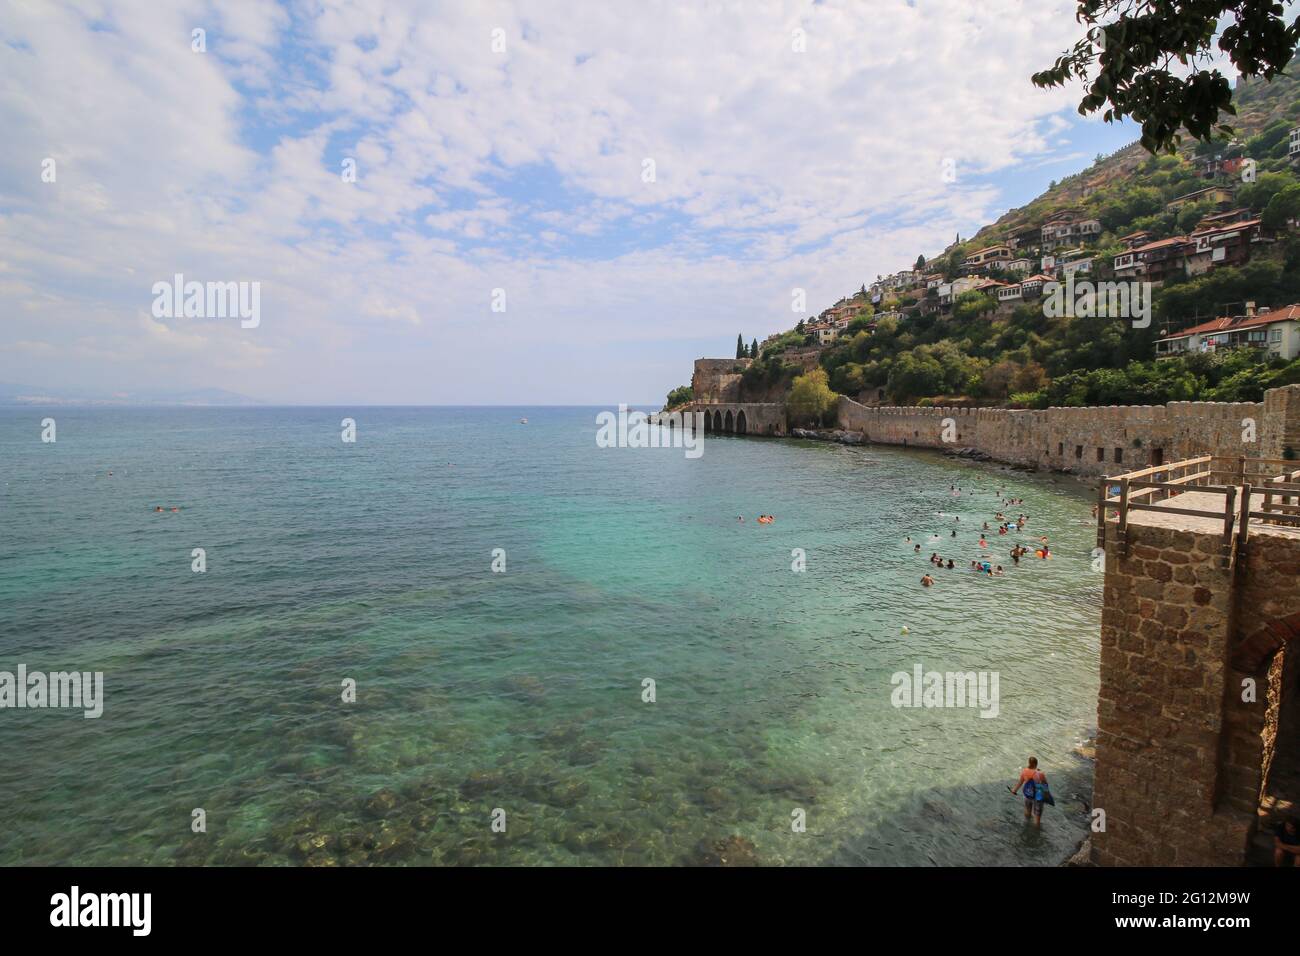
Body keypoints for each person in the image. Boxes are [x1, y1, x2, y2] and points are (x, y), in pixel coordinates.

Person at [1010, 757, 1049, 827]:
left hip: (1028, 795)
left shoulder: (1024, 771)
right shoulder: (1040, 773)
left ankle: (1026, 824)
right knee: (1037, 817)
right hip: (1038, 797)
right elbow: (1045, 785)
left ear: (1029, 763)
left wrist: (1014, 790)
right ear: (1035, 764)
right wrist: (1046, 796)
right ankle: (1036, 832)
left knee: (1027, 812)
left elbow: (1020, 783)